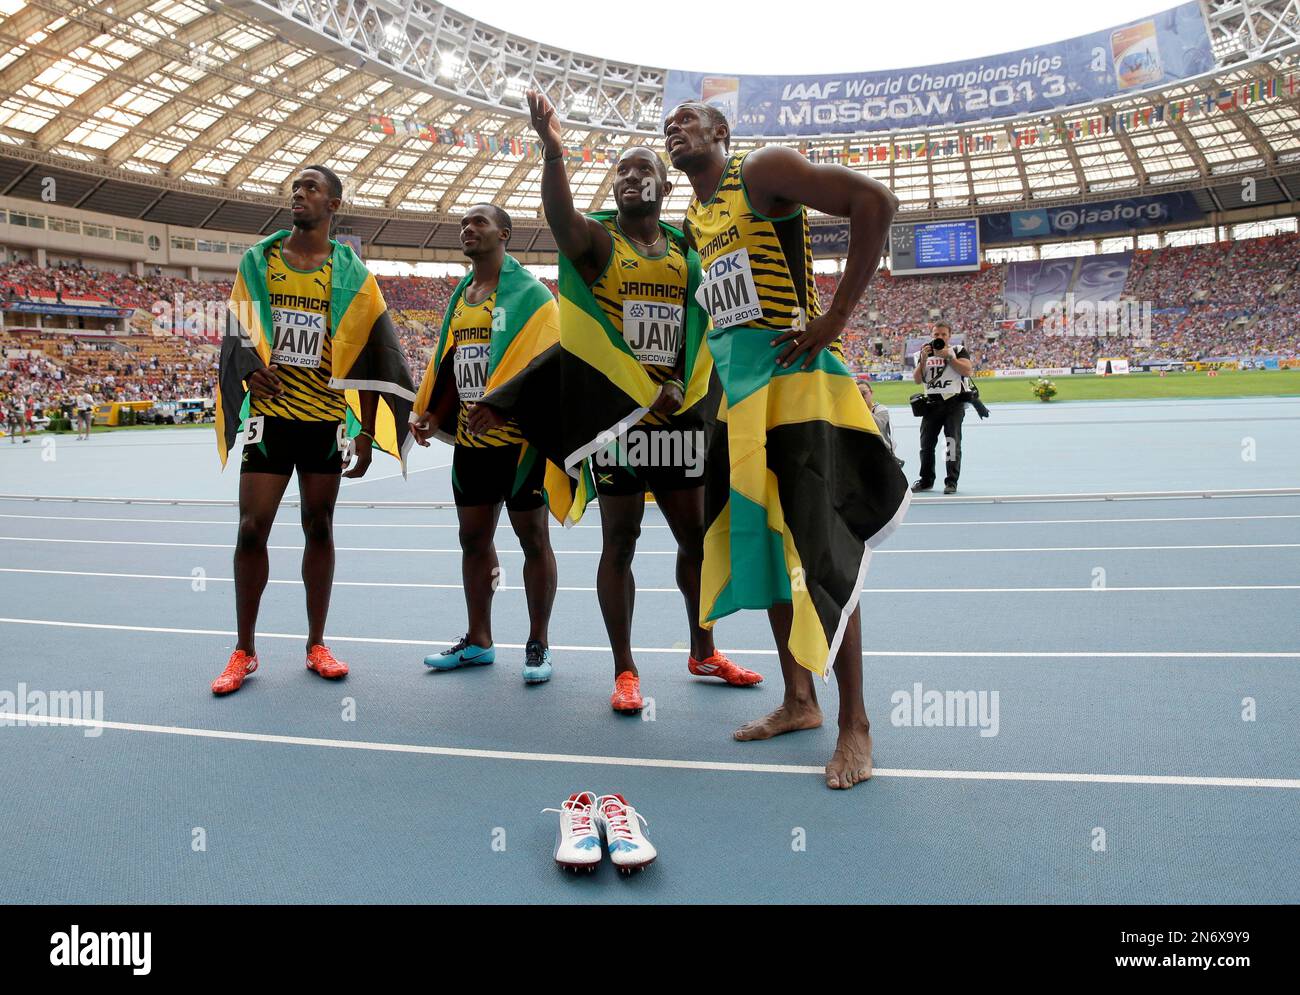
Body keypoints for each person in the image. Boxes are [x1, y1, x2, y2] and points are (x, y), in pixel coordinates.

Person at [666, 101, 909, 789]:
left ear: (722, 135)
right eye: (667, 128)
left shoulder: (762, 172)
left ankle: (854, 723)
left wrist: (835, 316)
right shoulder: (695, 222)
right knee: (770, 551)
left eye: (688, 121)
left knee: (820, 550)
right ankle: (799, 699)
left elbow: (874, 202)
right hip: (739, 404)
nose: (673, 132)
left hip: (797, 391)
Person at [528, 90, 760, 713]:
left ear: (663, 184)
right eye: (622, 172)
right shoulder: (602, 246)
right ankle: (625, 670)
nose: (632, 179)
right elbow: (561, 219)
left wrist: (686, 388)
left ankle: (703, 649)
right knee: (621, 543)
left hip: (679, 416)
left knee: (697, 540)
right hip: (620, 422)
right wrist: (554, 152)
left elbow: (707, 329)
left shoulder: (687, 256)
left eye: (644, 170)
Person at [213, 164, 417, 696]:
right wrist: (248, 368)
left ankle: (316, 643)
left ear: (333, 206)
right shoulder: (259, 262)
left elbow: (374, 359)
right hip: (270, 418)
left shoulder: (354, 276)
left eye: (311, 188)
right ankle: (244, 649)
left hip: (325, 419)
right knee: (250, 529)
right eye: (295, 186)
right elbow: (237, 332)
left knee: (319, 527)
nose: (298, 193)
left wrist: (368, 434)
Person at [409, 204, 562, 685]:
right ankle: (479, 639)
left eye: (479, 222)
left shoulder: (534, 297)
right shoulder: (462, 299)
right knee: (473, 539)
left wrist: (506, 408)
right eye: (463, 224)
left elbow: (550, 367)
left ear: (505, 234)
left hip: (519, 444)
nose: (468, 229)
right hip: (473, 444)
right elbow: (454, 363)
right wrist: (433, 413)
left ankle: (538, 643)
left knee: (533, 539)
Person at [910, 321, 973, 495]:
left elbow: (967, 371)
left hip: (953, 403)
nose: (940, 337)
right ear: (932, 335)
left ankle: (951, 482)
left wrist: (949, 357)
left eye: (943, 334)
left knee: (951, 444)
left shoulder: (958, 350)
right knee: (926, 445)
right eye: (936, 334)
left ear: (949, 336)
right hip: (931, 404)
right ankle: (926, 480)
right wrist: (923, 359)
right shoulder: (923, 353)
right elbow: (917, 379)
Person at [857, 377, 900, 466]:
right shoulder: (855, 411)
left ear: (871, 393)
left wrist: (862, 408)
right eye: (858, 394)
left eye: (864, 393)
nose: (862, 396)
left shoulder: (880, 409)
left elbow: (879, 426)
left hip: (884, 453)